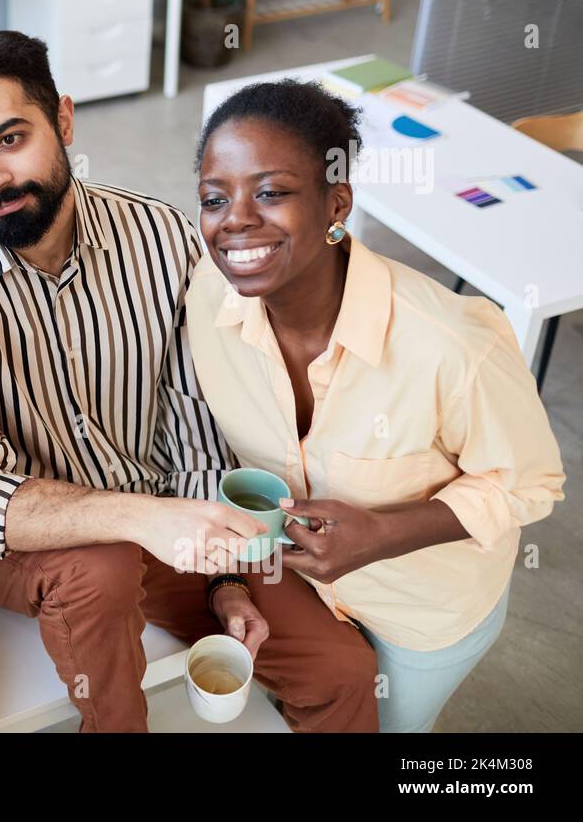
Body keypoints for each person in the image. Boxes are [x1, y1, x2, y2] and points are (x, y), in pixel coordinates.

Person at [0, 31, 380, 732]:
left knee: (343, 671)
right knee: (102, 570)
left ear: (63, 120)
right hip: (10, 539)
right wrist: (141, 519)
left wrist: (223, 581)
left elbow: (194, 421)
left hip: (162, 516)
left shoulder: (163, 240)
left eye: (9, 140)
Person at [186, 78, 565, 732]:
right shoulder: (206, 301)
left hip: (421, 613)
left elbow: (529, 484)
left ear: (337, 204)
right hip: (295, 586)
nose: (236, 220)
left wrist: (383, 533)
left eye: (272, 192)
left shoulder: (452, 345)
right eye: (216, 198)